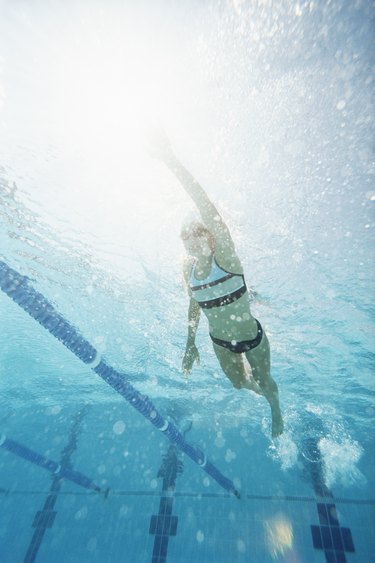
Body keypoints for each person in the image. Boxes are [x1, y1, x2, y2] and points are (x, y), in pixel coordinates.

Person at [150, 132, 283, 438]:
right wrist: (190, 344)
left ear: (209, 234)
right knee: (240, 384)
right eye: (185, 236)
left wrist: (170, 160)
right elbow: (193, 304)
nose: (191, 238)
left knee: (267, 381)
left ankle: (275, 407)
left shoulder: (227, 259)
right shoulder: (190, 271)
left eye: (198, 231)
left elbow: (204, 203)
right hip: (219, 342)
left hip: (252, 337)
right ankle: (257, 389)